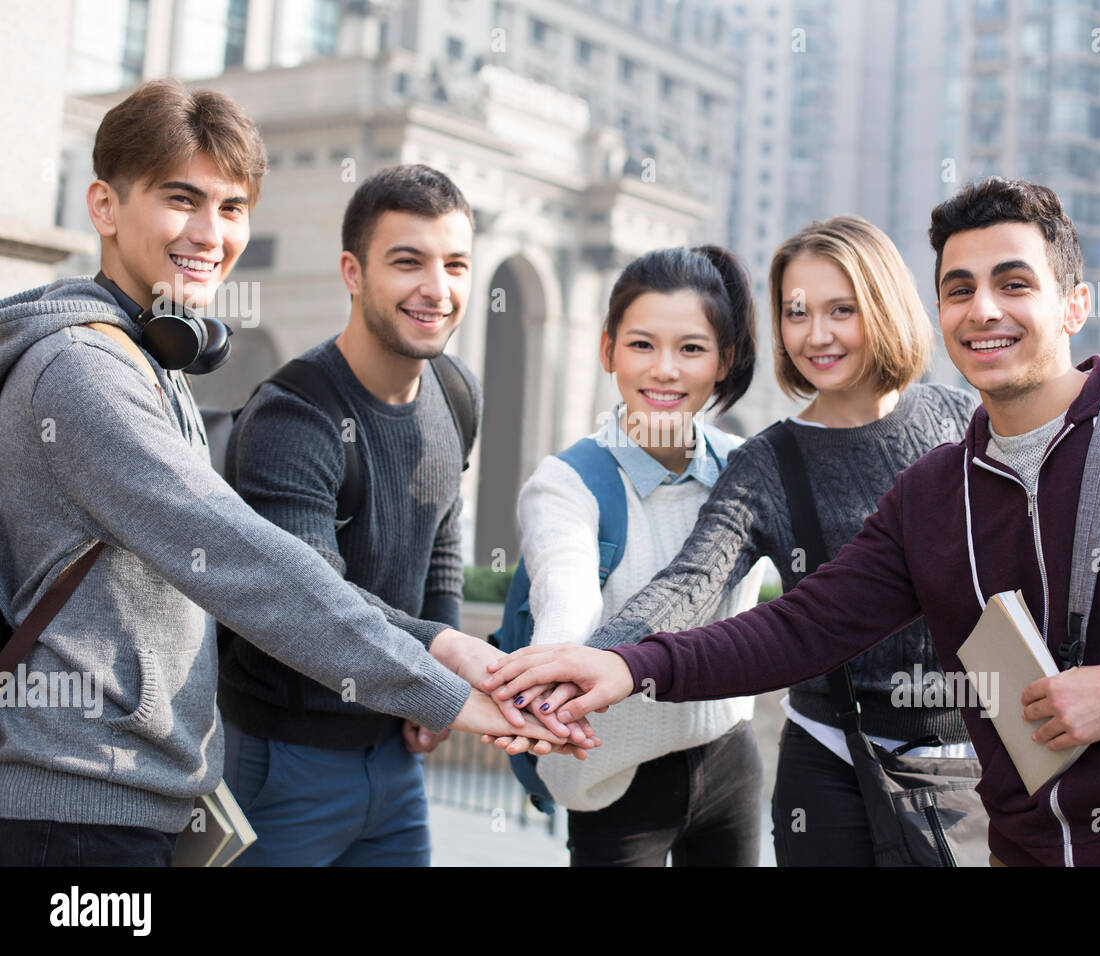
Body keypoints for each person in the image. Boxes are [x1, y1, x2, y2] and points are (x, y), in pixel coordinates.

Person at [484, 177, 1100, 866]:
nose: (984, 310)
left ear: (1075, 303)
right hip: (1014, 839)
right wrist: (618, 668)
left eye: (1014, 285)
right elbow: (797, 626)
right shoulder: (931, 491)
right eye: (959, 289)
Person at [0, 79, 582, 867]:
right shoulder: (84, 372)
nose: (211, 234)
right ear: (104, 206)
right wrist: (446, 684)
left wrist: (447, 646)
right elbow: (250, 563)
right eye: (183, 199)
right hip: (71, 815)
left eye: (233, 208)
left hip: (128, 801)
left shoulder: (150, 357)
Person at [511, 217, 978, 866]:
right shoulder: (764, 464)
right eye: (796, 312)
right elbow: (691, 582)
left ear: (883, 305)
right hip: (829, 752)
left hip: (966, 757)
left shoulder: (963, 424)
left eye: (841, 309)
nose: (817, 333)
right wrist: (588, 664)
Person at [217, 165, 527, 866]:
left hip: (395, 762)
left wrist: (430, 680)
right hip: (284, 760)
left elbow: (443, 528)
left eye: (455, 264)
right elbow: (308, 596)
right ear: (353, 273)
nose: (437, 289)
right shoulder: (294, 416)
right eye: (408, 262)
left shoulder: (454, 391)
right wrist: (445, 661)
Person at [515, 245, 766, 866]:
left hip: (728, 758)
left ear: (723, 359)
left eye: (691, 348)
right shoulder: (567, 481)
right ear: (608, 351)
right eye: (641, 345)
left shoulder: (751, 469)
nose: (664, 371)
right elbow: (564, 587)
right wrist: (557, 673)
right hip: (612, 780)